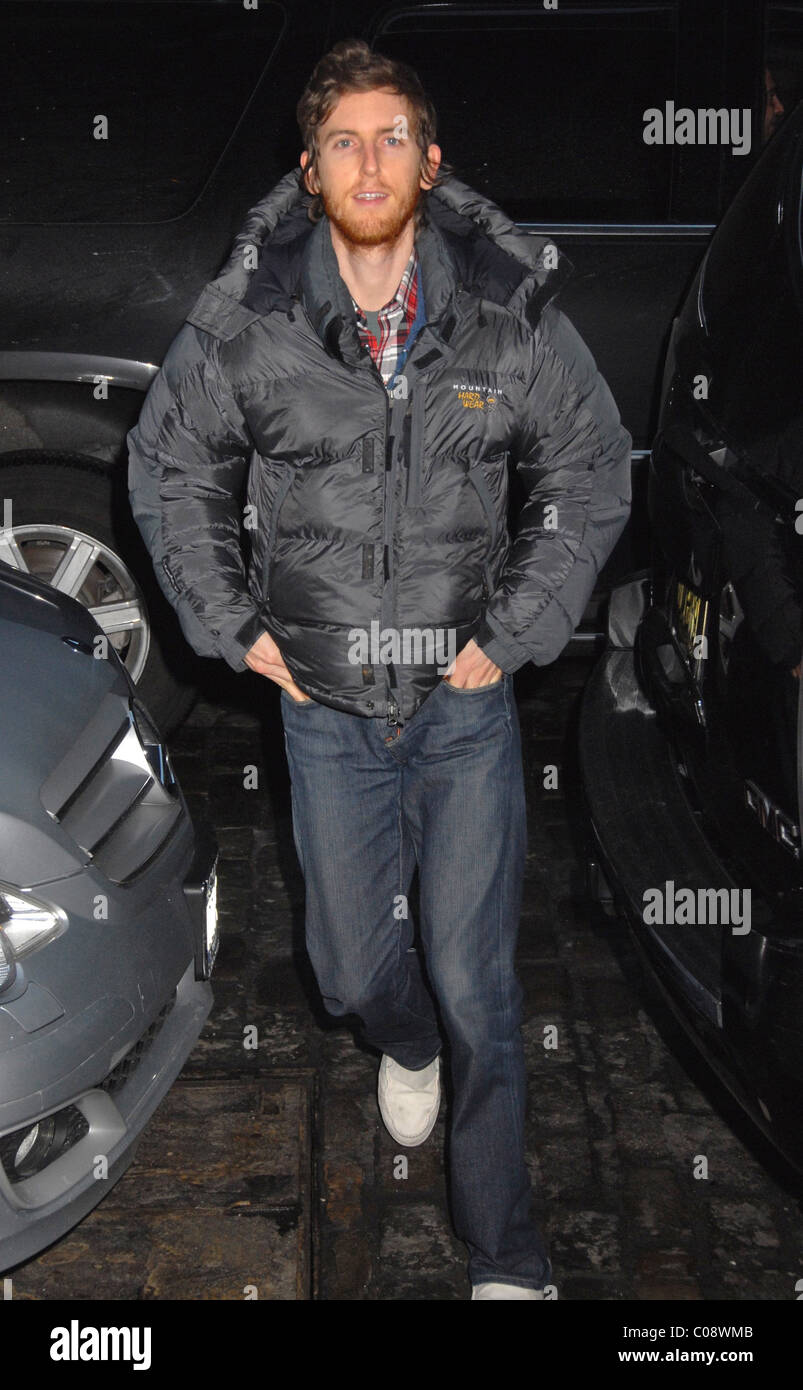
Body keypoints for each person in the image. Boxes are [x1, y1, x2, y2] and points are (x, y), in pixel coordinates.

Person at [128, 38, 632, 1299]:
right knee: (351, 970)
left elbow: (588, 468)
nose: (369, 161)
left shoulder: (502, 315)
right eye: (343, 141)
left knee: (479, 981)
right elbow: (168, 465)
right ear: (309, 172)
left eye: (391, 136)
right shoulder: (252, 322)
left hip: (464, 711)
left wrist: (512, 631)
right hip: (324, 712)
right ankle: (398, 1038)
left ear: (429, 158)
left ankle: (505, 1254)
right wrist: (231, 624)